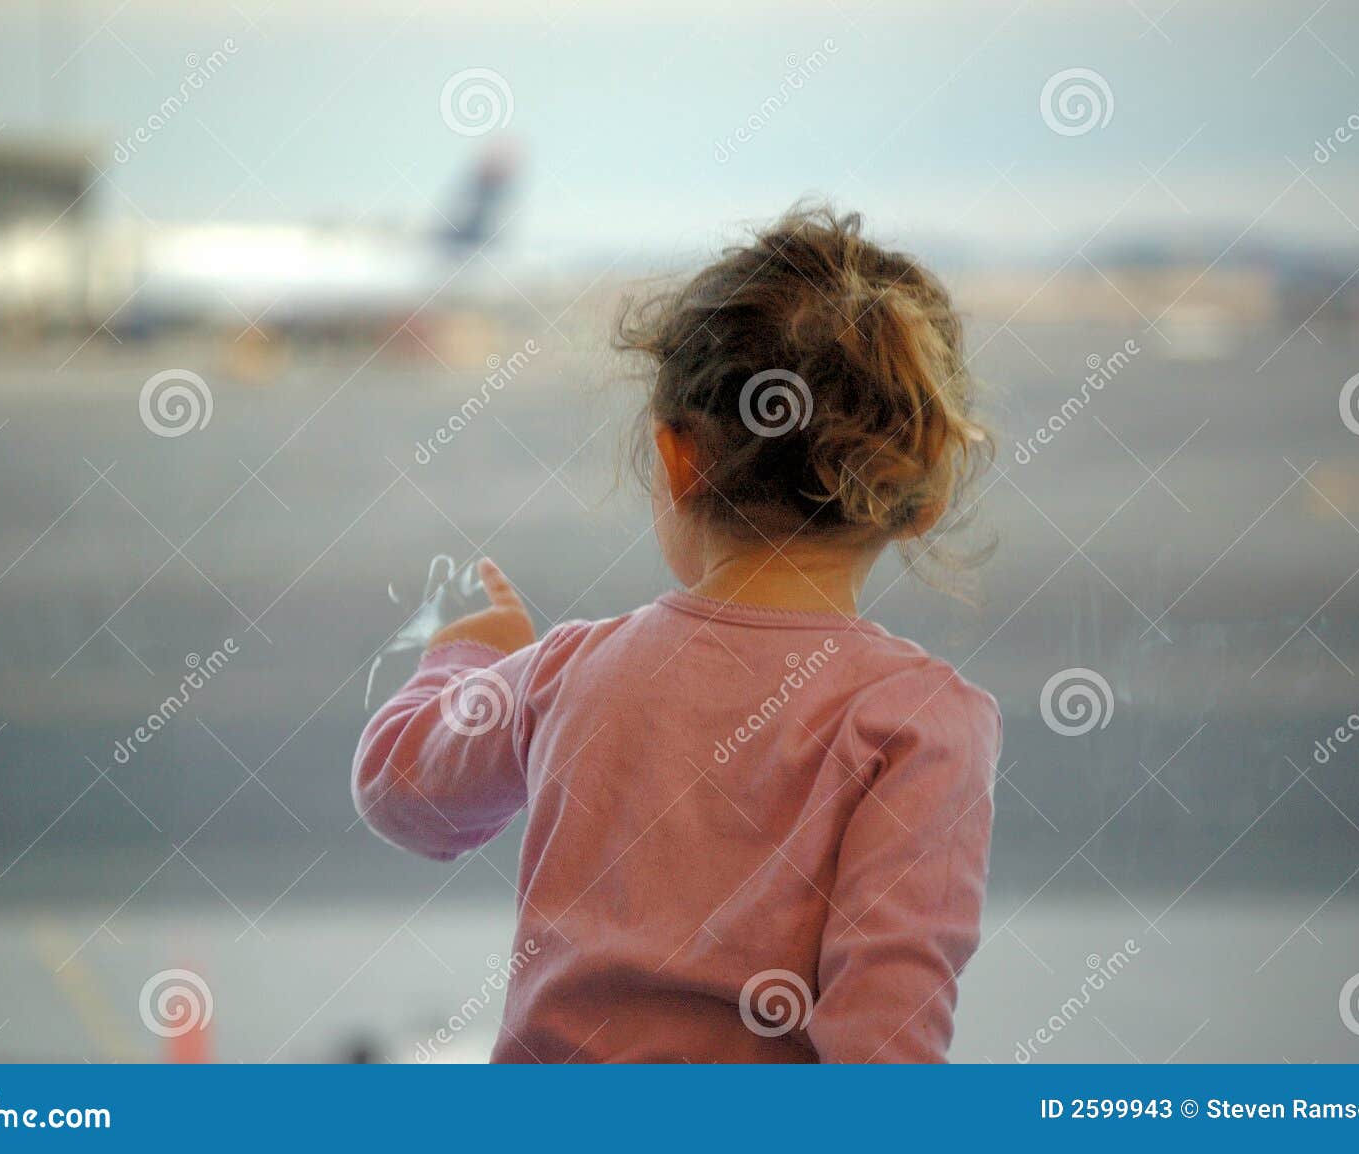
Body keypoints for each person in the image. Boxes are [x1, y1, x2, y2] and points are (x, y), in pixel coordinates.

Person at [353, 205, 1001, 1062]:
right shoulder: (923, 724)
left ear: (678, 460)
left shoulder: (569, 671)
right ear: (920, 498)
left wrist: (470, 659)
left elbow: (405, 792)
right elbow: (888, 1043)